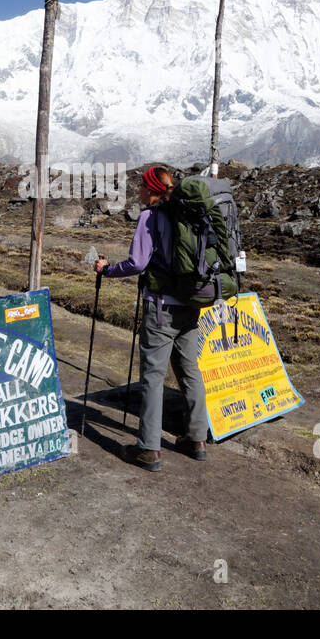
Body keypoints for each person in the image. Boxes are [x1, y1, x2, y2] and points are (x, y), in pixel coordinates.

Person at [95, 165, 209, 471]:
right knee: (189, 371)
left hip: (161, 308)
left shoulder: (150, 216)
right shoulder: (189, 214)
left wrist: (107, 270)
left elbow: (138, 262)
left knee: (153, 377)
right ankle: (196, 439)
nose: (139, 193)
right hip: (190, 303)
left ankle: (148, 448)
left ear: (152, 189)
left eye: (142, 188)